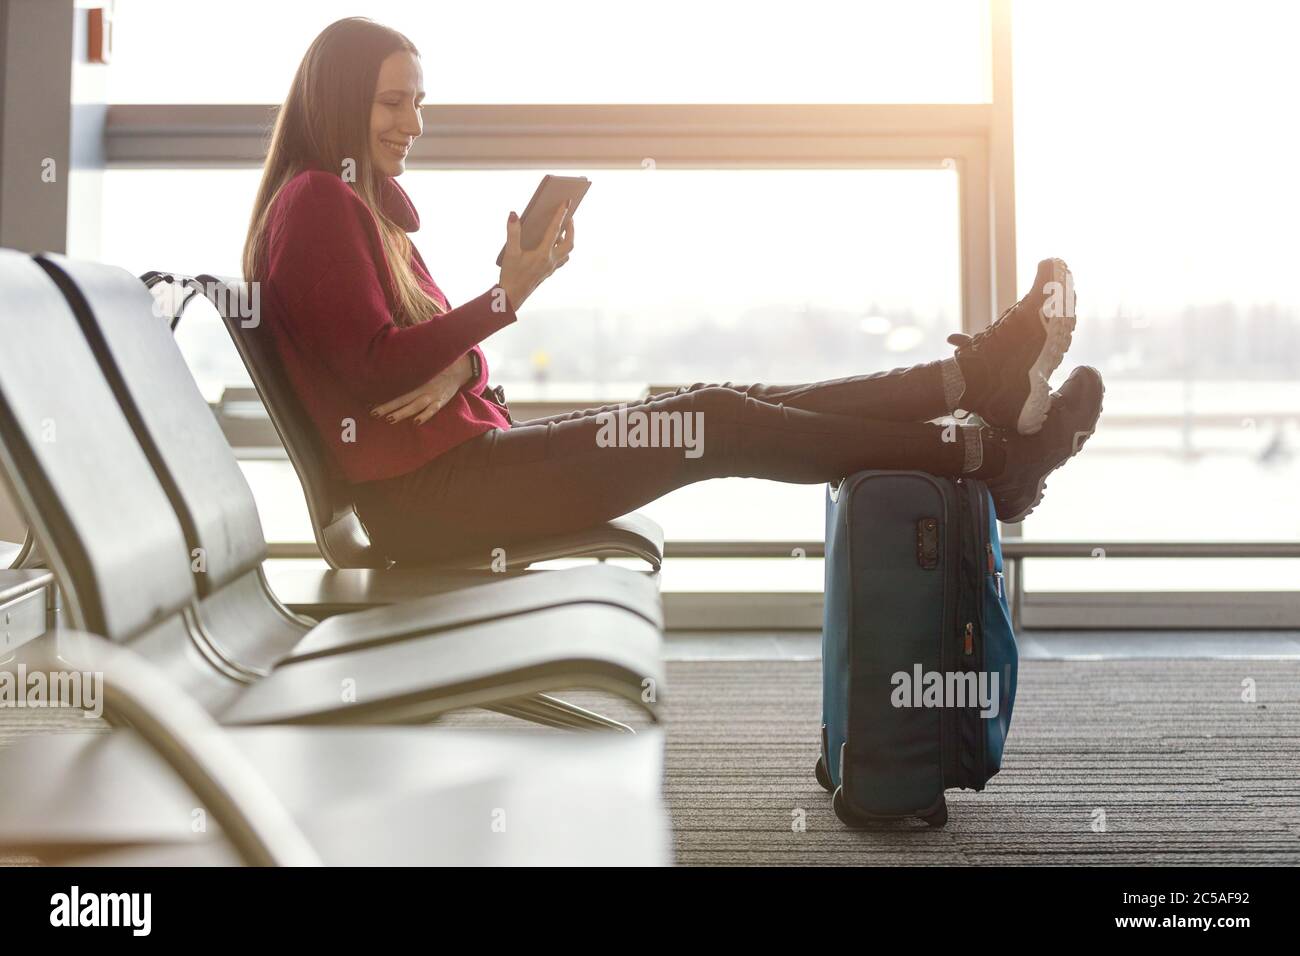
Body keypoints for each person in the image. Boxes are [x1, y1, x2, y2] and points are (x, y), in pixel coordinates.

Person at [243, 17, 1105, 565]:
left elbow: (422, 362)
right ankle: (990, 460)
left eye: (420, 103)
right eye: (394, 103)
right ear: (342, 100)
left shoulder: (363, 211)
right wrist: (505, 302)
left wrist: (464, 360)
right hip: (437, 500)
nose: (413, 124)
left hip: (465, 472)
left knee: (718, 406)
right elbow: (374, 374)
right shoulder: (318, 203)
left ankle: (971, 387)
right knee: (715, 421)